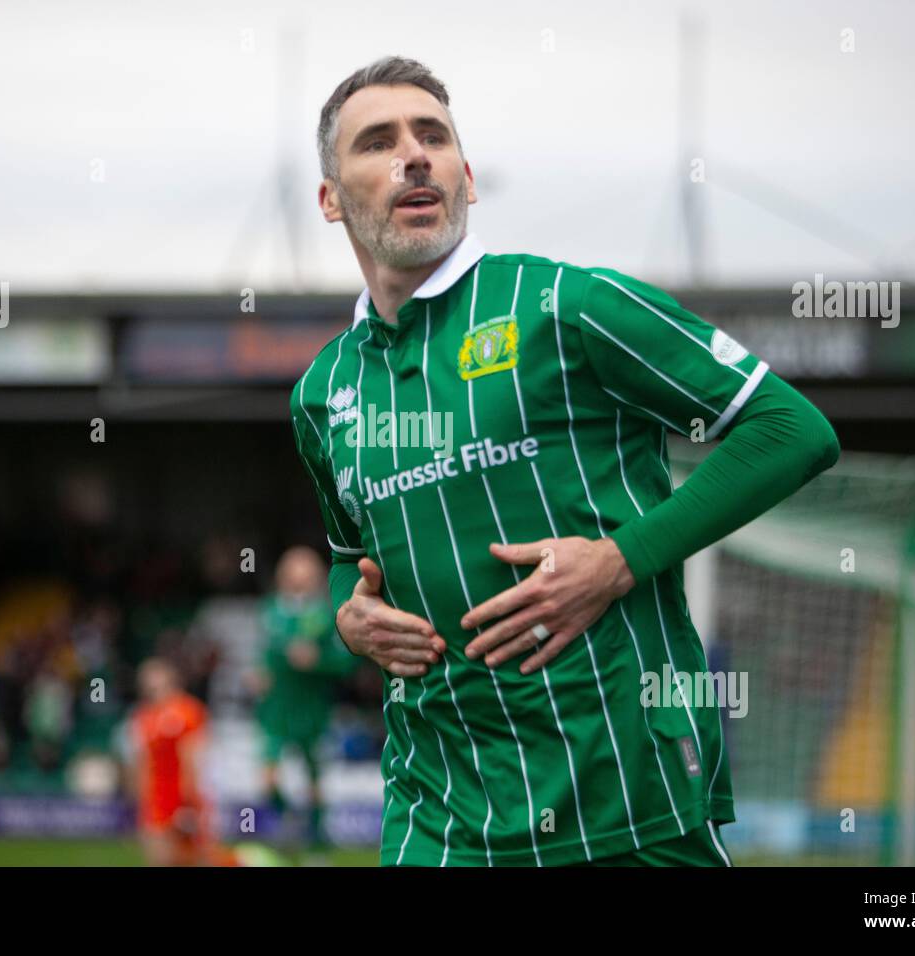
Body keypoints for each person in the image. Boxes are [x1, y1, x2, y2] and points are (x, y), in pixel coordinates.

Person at [289, 57, 840, 866]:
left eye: (433, 137)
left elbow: (792, 429)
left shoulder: (568, 305)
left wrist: (620, 560)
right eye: (378, 142)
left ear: (466, 178)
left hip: (624, 793)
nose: (415, 155)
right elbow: (348, 560)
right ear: (332, 198)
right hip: (440, 811)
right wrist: (349, 616)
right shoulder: (322, 391)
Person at [254, 546, 356, 848]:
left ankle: (317, 843)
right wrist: (260, 673)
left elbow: (346, 661)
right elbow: (267, 653)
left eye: (305, 574)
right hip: (275, 709)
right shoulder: (271, 611)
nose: (297, 580)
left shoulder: (326, 614)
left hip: (311, 709)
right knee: (269, 777)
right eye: (291, 573)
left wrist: (317, 660)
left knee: (313, 780)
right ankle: (289, 818)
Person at [126, 657, 236, 866]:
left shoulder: (188, 711)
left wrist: (190, 800)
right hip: (157, 797)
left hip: (183, 795)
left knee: (197, 855)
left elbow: (193, 759)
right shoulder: (143, 716)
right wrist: (141, 798)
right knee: (160, 857)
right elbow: (142, 761)